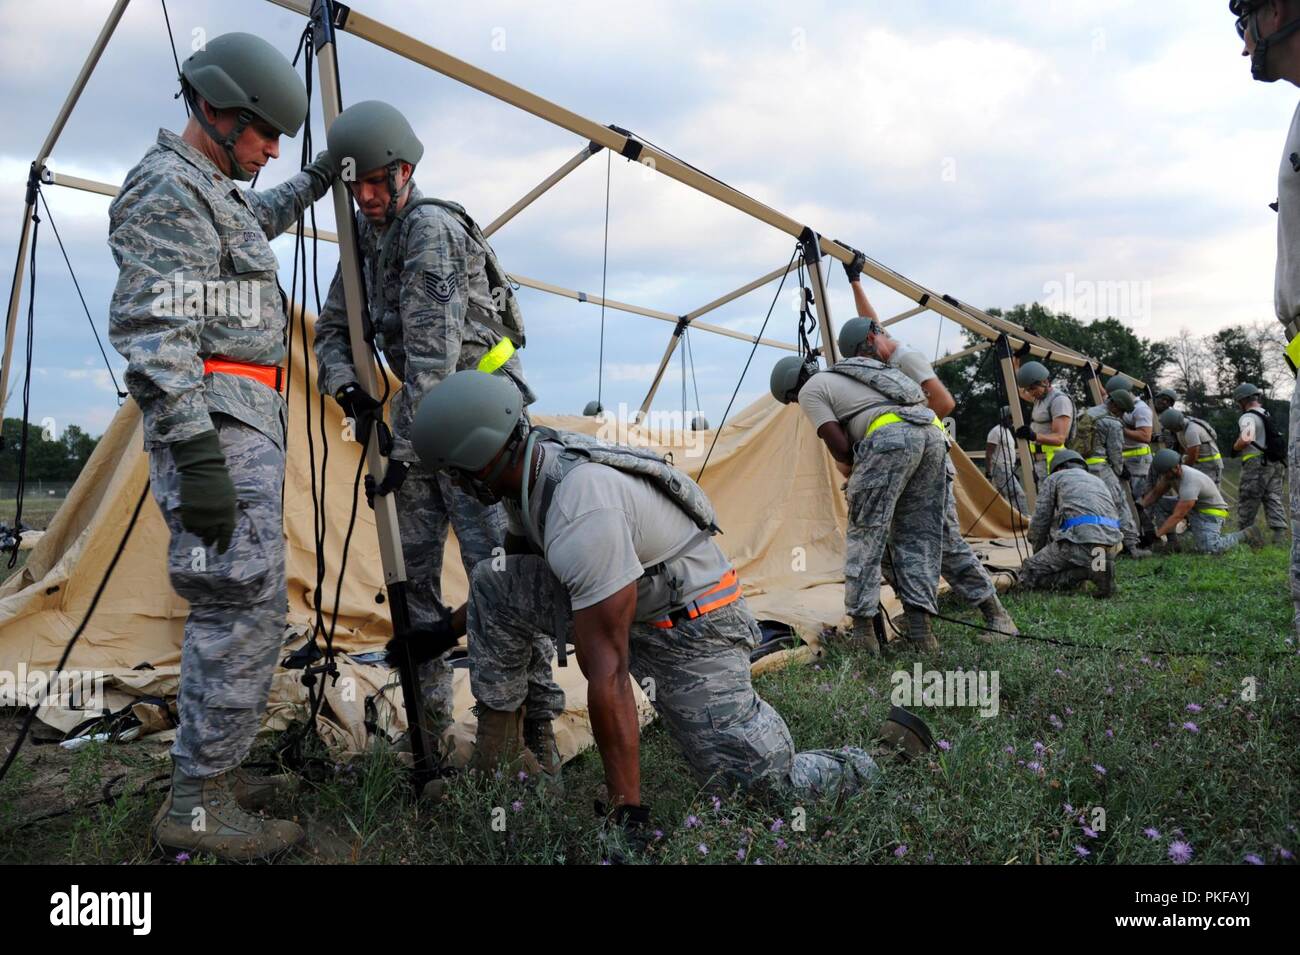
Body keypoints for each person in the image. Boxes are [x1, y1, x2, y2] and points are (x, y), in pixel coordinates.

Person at [411, 370, 885, 835]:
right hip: (628, 604)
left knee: (760, 789)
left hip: (691, 627)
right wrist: (443, 632)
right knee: (493, 583)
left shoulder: (581, 508)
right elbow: (506, 576)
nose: (454, 485)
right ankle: (502, 756)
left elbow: (609, 672)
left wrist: (628, 814)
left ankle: (871, 760)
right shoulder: (525, 475)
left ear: (479, 457)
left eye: (454, 473)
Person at [108, 33, 339, 860]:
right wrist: (194, 449)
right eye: (265, 134)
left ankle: (218, 774)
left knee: (252, 607)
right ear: (218, 110)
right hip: (213, 423)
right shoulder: (166, 190)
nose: (273, 150)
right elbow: (153, 326)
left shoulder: (215, 192)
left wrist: (311, 184)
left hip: (244, 420)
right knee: (236, 606)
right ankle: (197, 804)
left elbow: (255, 218)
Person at [312, 101, 562, 776]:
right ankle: (429, 742)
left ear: (405, 171)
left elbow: (430, 360)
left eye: (375, 181)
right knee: (412, 583)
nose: (364, 196)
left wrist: (401, 446)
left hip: (482, 426)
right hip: (421, 423)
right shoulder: (362, 237)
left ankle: (529, 736)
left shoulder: (428, 230)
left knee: (504, 580)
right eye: (353, 184)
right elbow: (332, 330)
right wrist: (347, 389)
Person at [833, 293, 1018, 641]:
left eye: (865, 349)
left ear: (871, 343)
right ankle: (918, 620)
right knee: (898, 541)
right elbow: (871, 326)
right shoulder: (880, 355)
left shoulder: (904, 356)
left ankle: (997, 617)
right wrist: (854, 281)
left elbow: (944, 403)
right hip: (907, 460)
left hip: (926, 459)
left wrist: (906, 432)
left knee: (943, 540)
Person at [771, 349, 947, 651]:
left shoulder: (812, 388)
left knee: (865, 538)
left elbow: (840, 449)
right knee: (916, 537)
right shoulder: (850, 375)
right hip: (933, 434)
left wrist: (861, 480)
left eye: (792, 400)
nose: (797, 405)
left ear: (792, 389)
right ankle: (922, 632)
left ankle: (864, 637)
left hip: (892, 439)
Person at [1232, 0, 1300, 637]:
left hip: (1255, 464)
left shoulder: (1249, 418)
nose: (1245, 46)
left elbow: (1247, 442)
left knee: (1263, 503)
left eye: (1243, 24)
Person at [1017, 450, 1121, 596]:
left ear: (1059, 468)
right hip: (1111, 544)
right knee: (1072, 558)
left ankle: (1089, 571)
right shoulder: (1098, 480)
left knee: (1029, 571)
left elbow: (1040, 520)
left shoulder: (1055, 477)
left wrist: (1038, 552)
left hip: (1080, 540)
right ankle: (1099, 569)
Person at [1072, 389, 1148, 558]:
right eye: (1121, 411)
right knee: (1120, 503)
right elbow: (1115, 452)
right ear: (1115, 406)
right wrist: (1121, 471)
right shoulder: (1111, 422)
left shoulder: (1088, 413)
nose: (1121, 415)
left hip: (1081, 468)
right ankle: (1131, 546)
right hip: (1101, 468)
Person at [1141, 449, 1261, 554]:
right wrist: (1140, 507)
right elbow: (1155, 494)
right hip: (1194, 508)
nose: (1163, 476)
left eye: (1164, 473)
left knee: (1211, 548)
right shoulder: (1170, 475)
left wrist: (1156, 535)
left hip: (1211, 514)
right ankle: (1173, 543)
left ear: (1176, 467)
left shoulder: (1190, 481)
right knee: (1160, 503)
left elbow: (1178, 515)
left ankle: (1247, 533)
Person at [1232, 382, 1289, 544]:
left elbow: (1246, 438)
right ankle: (1279, 537)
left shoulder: (1248, 416)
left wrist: (1235, 447)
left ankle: (1245, 536)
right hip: (1276, 462)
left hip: (1257, 464)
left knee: (1248, 499)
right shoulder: (1266, 413)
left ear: (1242, 400)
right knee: (1272, 497)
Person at [1105, 374, 1157, 544]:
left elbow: (1145, 435)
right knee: (1124, 500)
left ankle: (1149, 535)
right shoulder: (1117, 402)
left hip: (1138, 462)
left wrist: (1120, 427)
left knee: (1140, 499)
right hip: (1123, 460)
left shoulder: (1140, 409)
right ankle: (1133, 535)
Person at [1013, 360, 1075, 484]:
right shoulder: (1039, 398)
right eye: (1028, 389)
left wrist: (1033, 436)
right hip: (1039, 461)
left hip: (1053, 462)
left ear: (1046, 382)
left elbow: (1060, 438)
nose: (1031, 393)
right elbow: (1020, 391)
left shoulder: (1059, 400)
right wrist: (1016, 362)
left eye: (1033, 388)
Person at [1158, 408, 1224, 486]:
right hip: (1199, 465)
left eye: (1171, 428)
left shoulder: (1192, 430)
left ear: (1174, 425)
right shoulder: (1181, 429)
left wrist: (1181, 471)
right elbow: (1182, 448)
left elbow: (1193, 456)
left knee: (1211, 494)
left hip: (1210, 466)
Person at [985, 405, 1029, 514]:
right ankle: (1024, 520)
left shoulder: (1008, 432)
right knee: (1018, 495)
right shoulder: (995, 432)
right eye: (1010, 417)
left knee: (1003, 499)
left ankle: (1006, 522)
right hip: (1001, 468)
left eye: (1013, 418)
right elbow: (989, 453)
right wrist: (988, 472)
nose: (1012, 420)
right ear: (1003, 417)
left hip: (1008, 468)